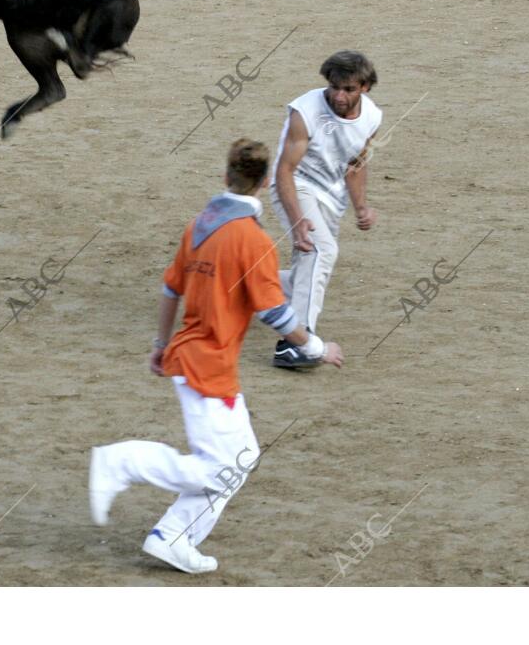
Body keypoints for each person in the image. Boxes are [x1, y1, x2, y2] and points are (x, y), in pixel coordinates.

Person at [88, 139, 342, 574]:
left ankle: (173, 538)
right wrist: (316, 347)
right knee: (221, 468)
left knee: (241, 456)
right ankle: (122, 462)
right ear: (264, 183)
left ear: (225, 177)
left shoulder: (199, 225)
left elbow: (171, 288)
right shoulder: (254, 240)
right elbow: (274, 313)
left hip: (191, 356)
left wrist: (159, 343)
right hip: (209, 367)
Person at [270, 50, 382, 369]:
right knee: (320, 250)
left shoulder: (372, 118)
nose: (339, 95)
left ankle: (237, 284)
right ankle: (296, 343)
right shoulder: (304, 112)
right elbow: (284, 170)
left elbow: (356, 164)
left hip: (330, 196)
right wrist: (297, 219)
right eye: (334, 87)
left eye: (348, 89)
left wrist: (361, 207)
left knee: (311, 266)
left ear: (365, 88)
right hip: (295, 186)